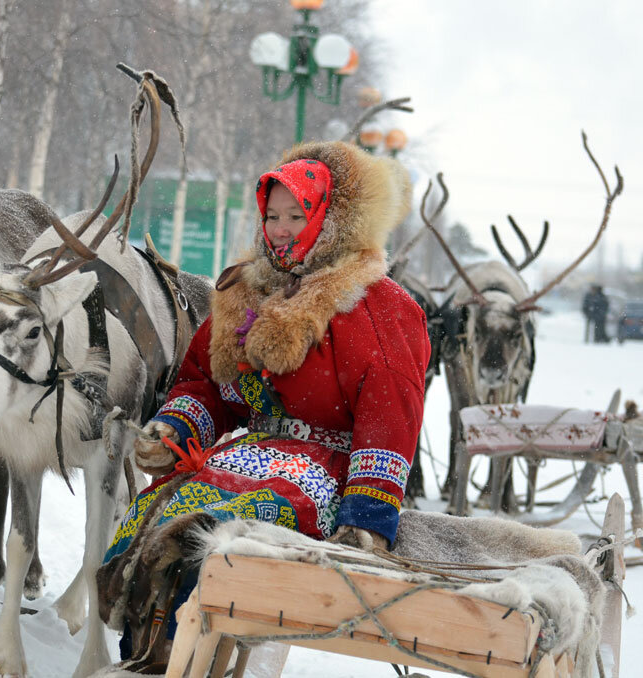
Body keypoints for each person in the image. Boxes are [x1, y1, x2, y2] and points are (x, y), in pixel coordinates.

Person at [96, 141, 431, 668]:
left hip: (328, 466)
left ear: (332, 218)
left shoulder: (380, 307)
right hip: (251, 451)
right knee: (151, 519)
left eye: (296, 215)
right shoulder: (244, 291)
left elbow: (391, 416)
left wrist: (367, 515)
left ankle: (192, 655)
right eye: (272, 215)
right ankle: (148, 653)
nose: (280, 228)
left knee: (220, 538)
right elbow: (208, 383)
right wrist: (175, 431)